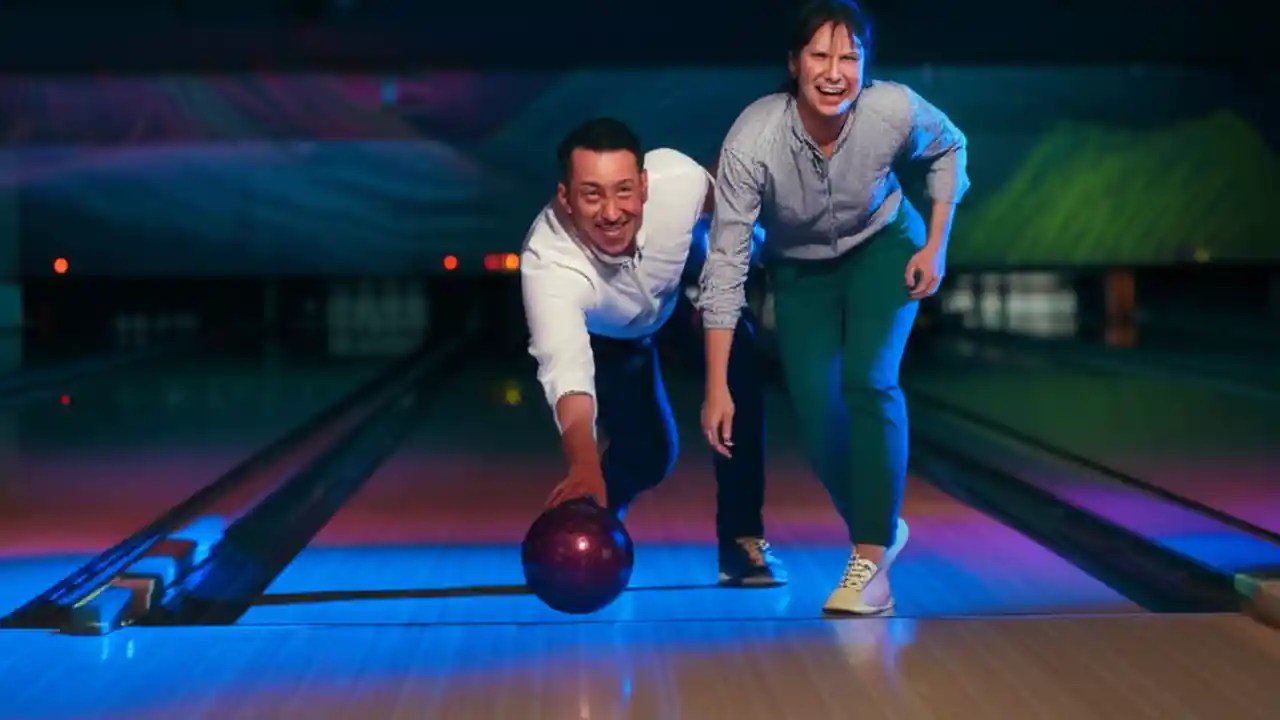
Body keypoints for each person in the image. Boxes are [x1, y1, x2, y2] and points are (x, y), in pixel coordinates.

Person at [699, 0, 970, 614]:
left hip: (884, 246)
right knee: (820, 417)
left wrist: (935, 243)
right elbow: (725, 265)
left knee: (869, 381)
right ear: (794, 64)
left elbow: (950, 145)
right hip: (799, 270)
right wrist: (718, 385)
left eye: (849, 57)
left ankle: (870, 561)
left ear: (865, 66)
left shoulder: (891, 109)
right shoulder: (753, 138)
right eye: (819, 55)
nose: (834, 71)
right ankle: (883, 525)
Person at [520, 117, 786, 586]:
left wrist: (766, 248)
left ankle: (742, 540)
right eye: (591, 194)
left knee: (738, 360)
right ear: (564, 198)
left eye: (624, 191)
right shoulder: (548, 263)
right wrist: (582, 461)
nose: (611, 212)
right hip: (613, 334)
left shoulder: (678, 181)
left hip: (681, 292)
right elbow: (567, 370)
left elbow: (726, 207)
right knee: (650, 455)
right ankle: (597, 501)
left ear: (644, 185)